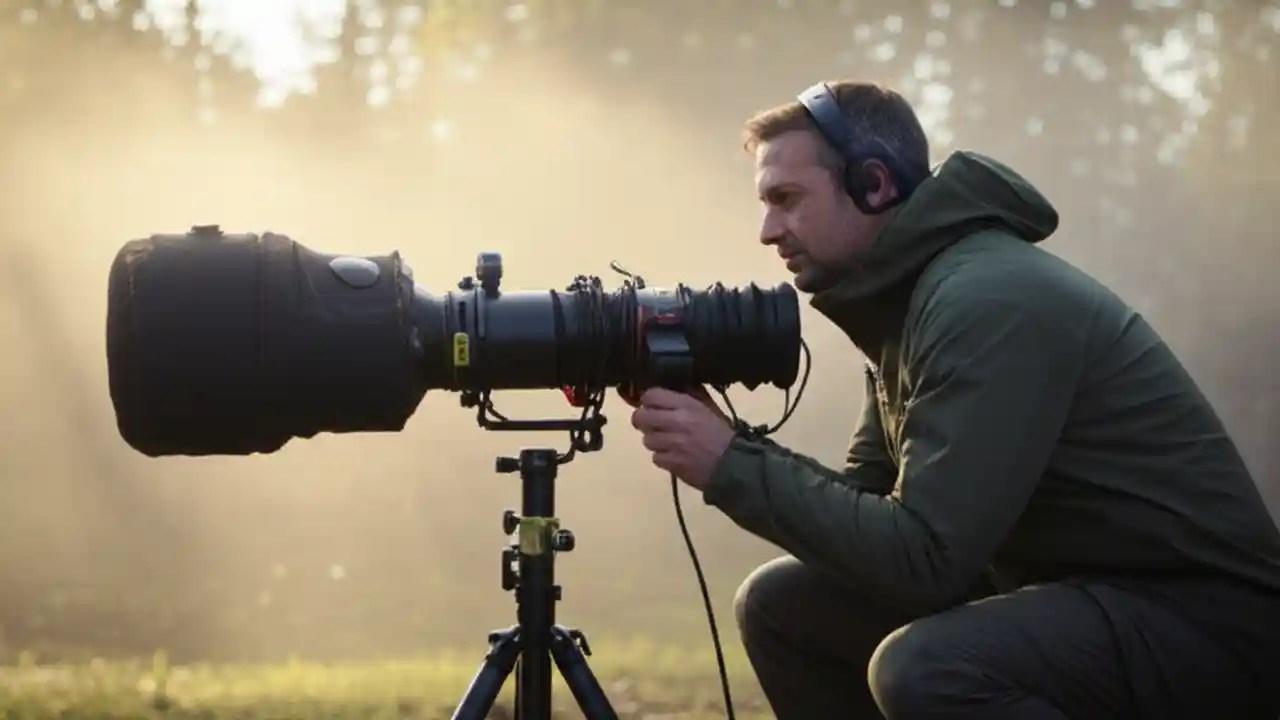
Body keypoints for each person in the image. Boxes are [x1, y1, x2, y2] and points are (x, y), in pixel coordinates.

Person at [629, 79, 1280, 719]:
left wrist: (729, 464)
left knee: (929, 668)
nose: (769, 231)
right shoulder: (905, 307)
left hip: (1208, 627)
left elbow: (924, 561)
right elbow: (866, 517)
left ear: (873, 184)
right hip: (1089, 598)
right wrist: (730, 444)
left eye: (787, 198)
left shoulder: (983, 300)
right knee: (783, 605)